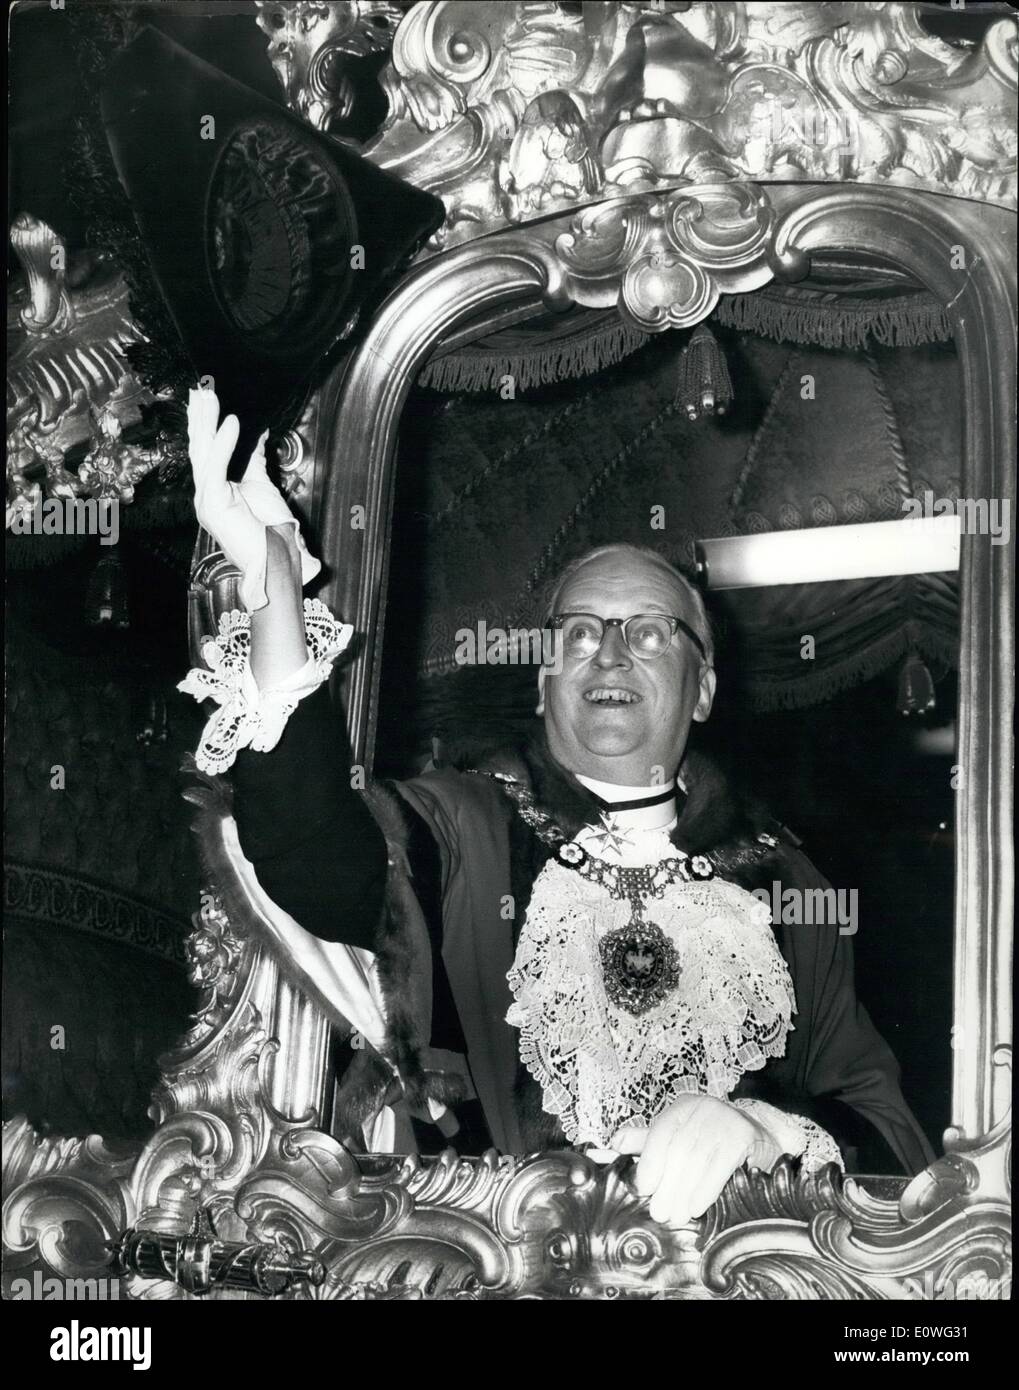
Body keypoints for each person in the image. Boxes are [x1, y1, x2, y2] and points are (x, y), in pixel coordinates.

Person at [181, 390, 934, 1229]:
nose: (608, 652)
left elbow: (894, 1142)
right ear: (545, 682)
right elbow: (302, 846)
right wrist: (273, 589)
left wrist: (759, 1130)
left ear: (705, 688)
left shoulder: (789, 889)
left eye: (648, 632)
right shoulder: (459, 830)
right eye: (578, 632)